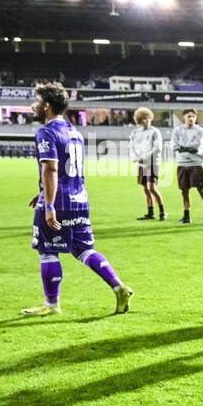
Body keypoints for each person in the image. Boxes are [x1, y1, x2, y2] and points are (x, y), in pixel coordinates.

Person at [21, 83, 133, 317]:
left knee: (47, 251)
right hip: (78, 199)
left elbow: (51, 169)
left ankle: (52, 305)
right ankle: (118, 286)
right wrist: (41, 191)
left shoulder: (46, 132)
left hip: (57, 203)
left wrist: (49, 204)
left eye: (36, 101)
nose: (33, 105)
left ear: (47, 106)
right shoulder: (75, 132)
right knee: (84, 250)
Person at [171, 109, 203, 225]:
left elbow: (197, 147)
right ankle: (186, 216)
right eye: (189, 116)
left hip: (195, 164)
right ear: (184, 117)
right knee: (184, 191)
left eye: (193, 116)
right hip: (182, 164)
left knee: (201, 190)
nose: (191, 118)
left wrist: (183, 148)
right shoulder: (177, 130)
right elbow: (174, 146)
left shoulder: (201, 131)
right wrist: (187, 148)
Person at [129, 107, 165, 221]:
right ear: (139, 121)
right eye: (144, 119)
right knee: (145, 188)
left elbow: (157, 148)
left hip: (153, 164)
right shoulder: (135, 132)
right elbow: (131, 146)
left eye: (148, 118)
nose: (146, 120)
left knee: (152, 188)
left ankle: (162, 211)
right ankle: (150, 212)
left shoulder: (155, 131)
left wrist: (144, 157)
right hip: (141, 164)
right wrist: (134, 157)